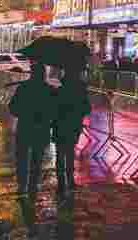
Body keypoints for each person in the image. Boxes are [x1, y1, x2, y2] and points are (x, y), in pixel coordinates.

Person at [8, 61, 57, 196]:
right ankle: (33, 185)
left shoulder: (23, 88)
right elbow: (55, 110)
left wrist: (24, 114)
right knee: (37, 158)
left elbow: (12, 107)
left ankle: (22, 185)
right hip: (42, 128)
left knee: (22, 158)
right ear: (43, 74)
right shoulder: (50, 90)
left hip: (25, 127)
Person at [49, 68, 92, 199]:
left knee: (60, 154)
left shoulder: (58, 92)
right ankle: (70, 180)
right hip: (73, 126)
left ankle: (61, 183)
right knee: (69, 152)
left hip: (59, 126)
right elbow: (87, 109)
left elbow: (52, 109)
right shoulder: (79, 93)